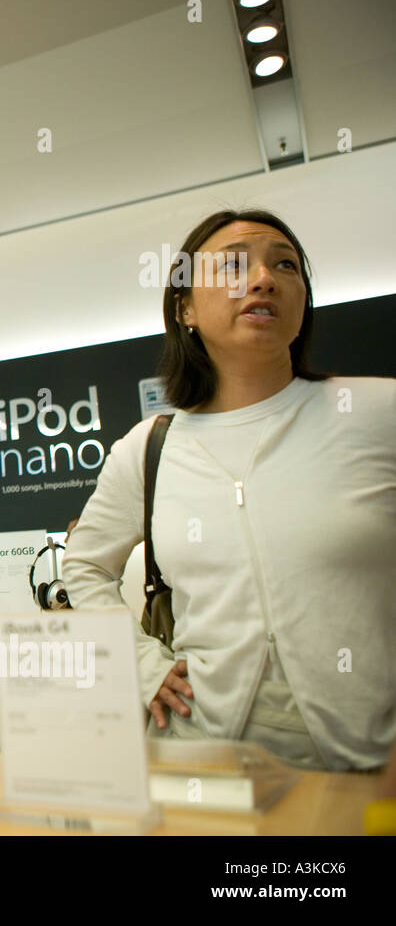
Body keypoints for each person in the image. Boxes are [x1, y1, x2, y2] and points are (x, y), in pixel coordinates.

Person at [63, 209, 396, 771]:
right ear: (184, 307)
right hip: (201, 763)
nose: (264, 278)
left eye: (285, 265)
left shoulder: (376, 413)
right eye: (234, 265)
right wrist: (142, 665)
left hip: (367, 768)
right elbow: (84, 567)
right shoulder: (150, 449)